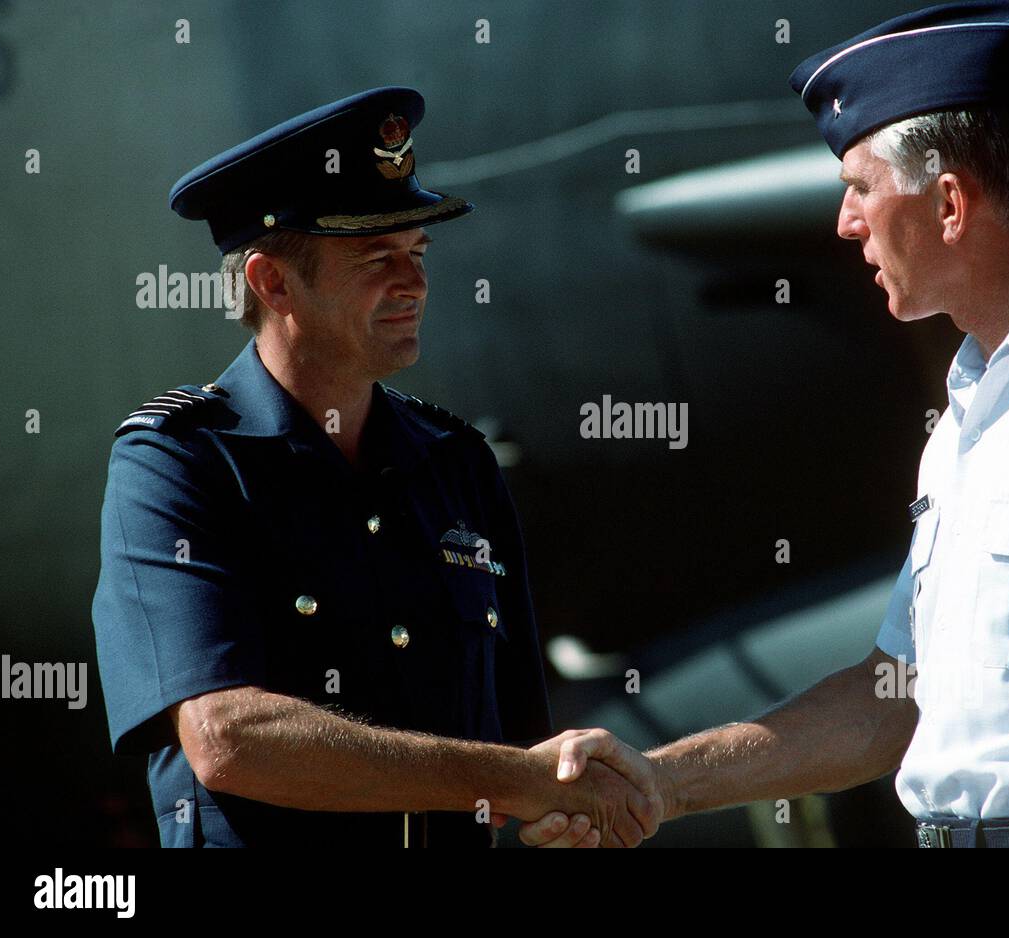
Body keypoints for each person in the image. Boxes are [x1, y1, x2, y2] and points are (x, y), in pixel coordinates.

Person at [520, 0, 1009, 848]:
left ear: (950, 204)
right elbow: (893, 699)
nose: (846, 221)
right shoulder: (967, 419)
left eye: (859, 188)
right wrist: (658, 782)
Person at [91, 87, 656, 848]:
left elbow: (525, 745)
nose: (414, 283)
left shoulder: (459, 466)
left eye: (418, 254)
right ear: (272, 281)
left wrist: (556, 807)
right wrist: (509, 782)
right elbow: (226, 738)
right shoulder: (178, 464)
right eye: (375, 258)